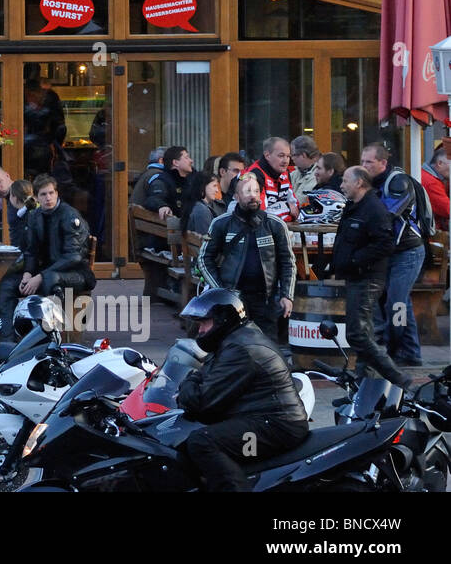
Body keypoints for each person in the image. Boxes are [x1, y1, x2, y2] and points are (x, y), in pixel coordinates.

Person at [176, 289, 310, 491]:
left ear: (223, 320)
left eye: (204, 323)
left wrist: (186, 385)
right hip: (265, 418)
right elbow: (204, 377)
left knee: (202, 442)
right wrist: (190, 383)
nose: (200, 330)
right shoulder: (234, 340)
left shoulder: (240, 349)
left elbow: (203, 403)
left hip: (277, 426)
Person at [321, 167, 414, 388]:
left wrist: (354, 260)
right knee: (364, 333)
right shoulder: (354, 207)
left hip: (367, 279)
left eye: (345, 181)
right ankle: (365, 388)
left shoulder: (373, 209)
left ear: (360, 183)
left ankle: (398, 378)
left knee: (357, 335)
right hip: (355, 277)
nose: (341, 185)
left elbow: (385, 244)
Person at [193, 174, 294, 337]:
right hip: (233, 299)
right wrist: (220, 291)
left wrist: (286, 296)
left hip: (266, 299)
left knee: (267, 348)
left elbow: (287, 262)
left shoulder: (275, 224)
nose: (253, 195)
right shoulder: (221, 223)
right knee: (231, 345)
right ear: (236, 196)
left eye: (256, 191)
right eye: (247, 191)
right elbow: (204, 258)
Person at [361, 144, 428, 367]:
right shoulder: (372, 183)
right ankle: (410, 352)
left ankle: (397, 348)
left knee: (396, 302)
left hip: (408, 252)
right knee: (397, 301)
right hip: (389, 253)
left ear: (383, 163)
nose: (364, 166)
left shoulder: (399, 182)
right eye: (362, 162)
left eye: (368, 162)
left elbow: (386, 215)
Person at [17, 174, 94, 299]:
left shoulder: (69, 216)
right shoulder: (34, 216)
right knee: (8, 284)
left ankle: (48, 317)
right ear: (36, 198)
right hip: (45, 271)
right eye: (43, 194)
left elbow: (73, 257)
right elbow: (31, 251)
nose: (48, 198)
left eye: (51, 193)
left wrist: (41, 276)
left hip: (74, 273)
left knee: (50, 281)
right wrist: (27, 273)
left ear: (57, 194)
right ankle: (6, 319)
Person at [0, 179, 38, 340]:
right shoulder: (31, 213)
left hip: (36, 270)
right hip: (37, 267)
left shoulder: (29, 218)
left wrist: (27, 273)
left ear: (13, 198)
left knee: (2, 284)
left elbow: (31, 252)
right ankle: (5, 331)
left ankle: (7, 338)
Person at [248, 136, 300, 224]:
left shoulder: (285, 173)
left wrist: (284, 214)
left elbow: (295, 209)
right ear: (267, 155)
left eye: (288, 156)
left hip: (276, 228)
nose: (286, 161)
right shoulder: (255, 175)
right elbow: (259, 214)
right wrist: (286, 208)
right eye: (281, 156)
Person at [181, 171, 225, 236]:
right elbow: (207, 238)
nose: (217, 190)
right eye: (214, 186)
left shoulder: (195, 204)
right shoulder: (201, 210)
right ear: (203, 186)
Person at [421, 142, 450, 232]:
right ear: (440, 163)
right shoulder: (431, 183)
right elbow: (448, 210)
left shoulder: (427, 176)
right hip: (429, 234)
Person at [289, 135, 321, 201]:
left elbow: (300, 201)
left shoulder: (318, 174)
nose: (291, 158)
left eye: (293, 155)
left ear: (303, 155)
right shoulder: (295, 173)